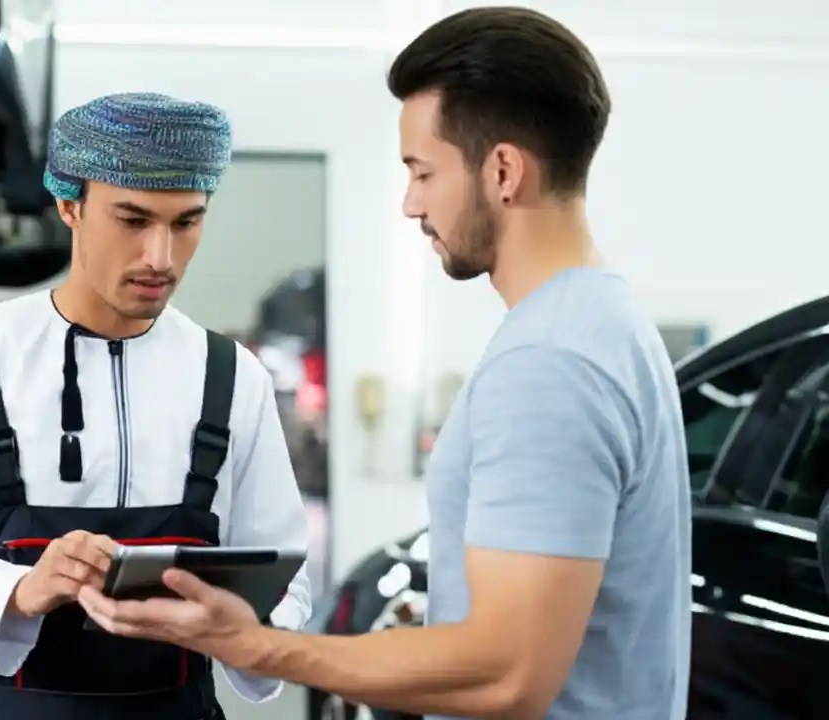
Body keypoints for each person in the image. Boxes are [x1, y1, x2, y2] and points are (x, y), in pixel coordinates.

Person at [78, 8, 692, 720]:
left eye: (422, 172)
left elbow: (507, 673)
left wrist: (256, 644)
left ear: (502, 171)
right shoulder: (608, 325)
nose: (410, 204)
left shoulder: (548, 364)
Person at [0, 91, 312, 720]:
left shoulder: (233, 377)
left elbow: (285, 577)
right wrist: (19, 590)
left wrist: (243, 625)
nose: (160, 256)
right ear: (69, 205)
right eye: (132, 219)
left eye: (185, 222)